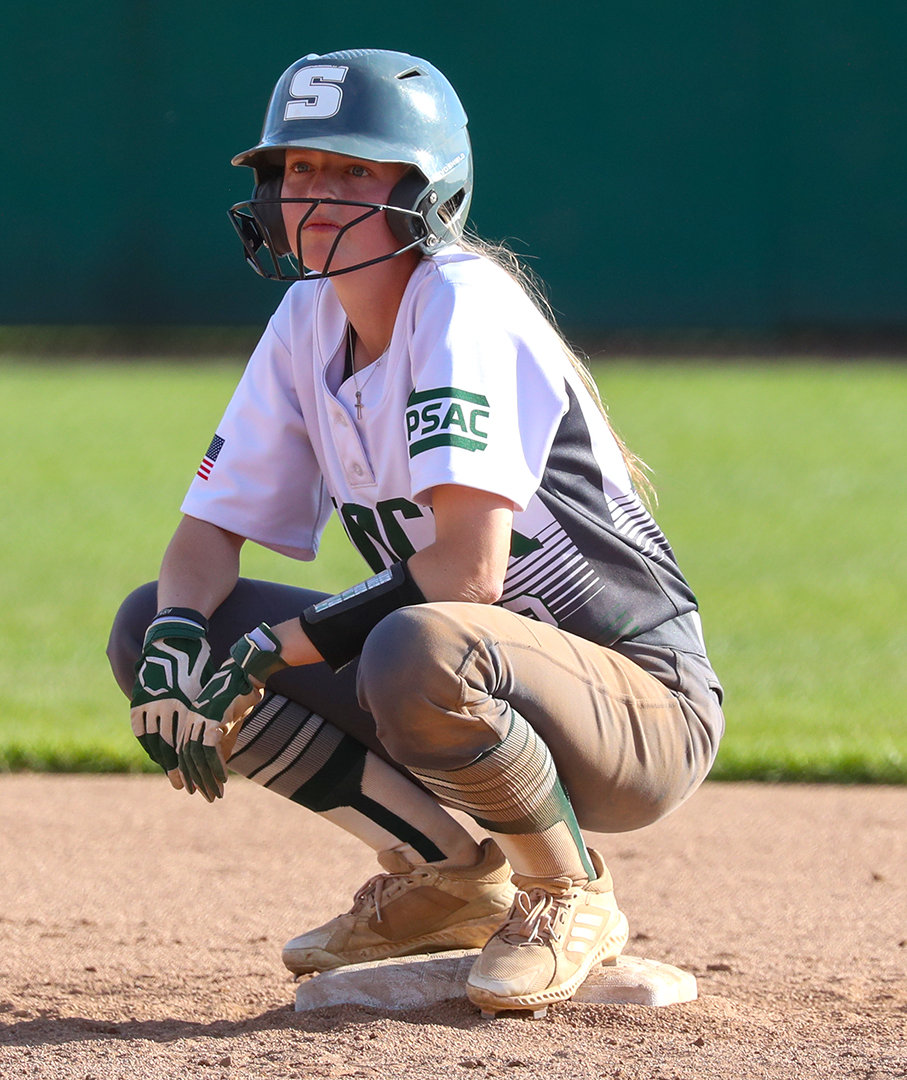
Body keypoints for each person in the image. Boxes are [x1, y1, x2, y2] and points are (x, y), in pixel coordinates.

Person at [107, 48, 724, 1016]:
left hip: (641, 705)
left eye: (353, 170)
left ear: (426, 191)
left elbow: (468, 572)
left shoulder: (459, 303)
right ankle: (452, 876)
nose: (314, 193)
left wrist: (280, 648)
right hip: (467, 672)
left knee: (413, 643)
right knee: (151, 624)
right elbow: (205, 541)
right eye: (298, 169)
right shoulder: (307, 320)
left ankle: (568, 892)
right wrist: (182, 635)